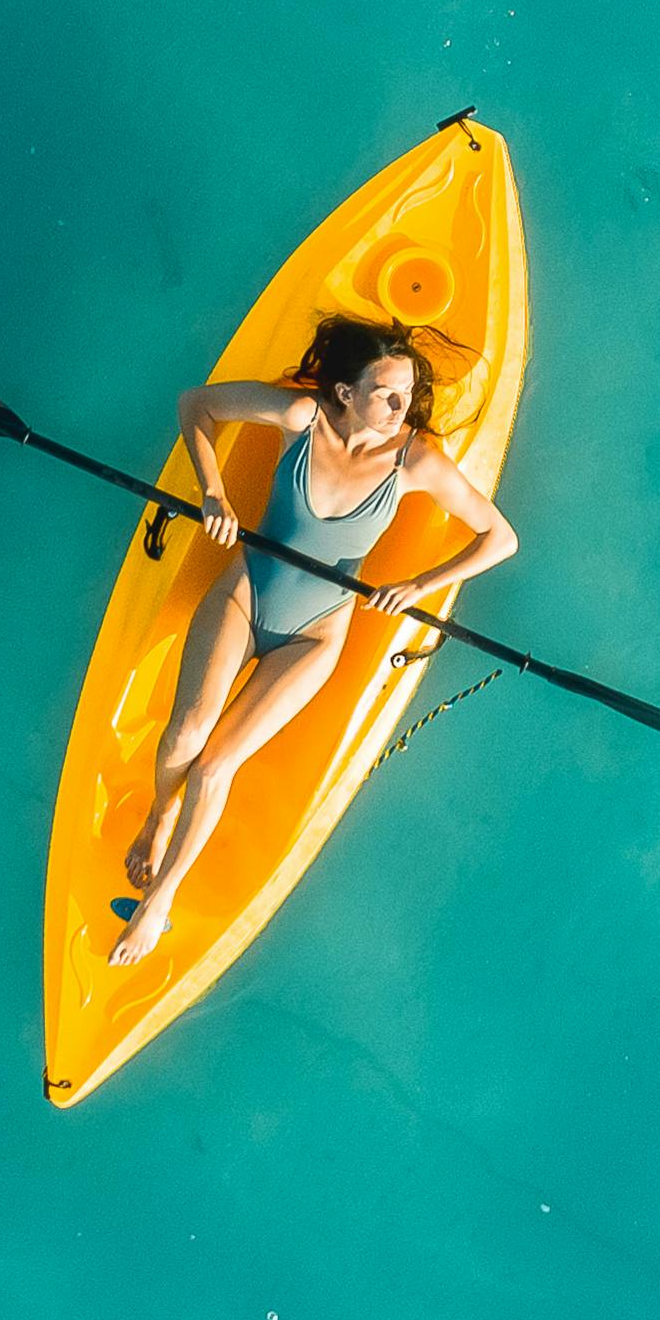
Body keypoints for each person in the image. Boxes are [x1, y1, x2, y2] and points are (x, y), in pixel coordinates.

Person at [110, 314, 517, 964]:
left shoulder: (414, 461)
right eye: (385, 392)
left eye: (406, 394)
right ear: (344, 393)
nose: (399, 407)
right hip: (246, 591)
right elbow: (197, 406)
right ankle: (161, 812)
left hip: (316, 633)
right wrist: (213, 494)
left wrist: (416, 586)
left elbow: (499, 539)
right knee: (184, 736)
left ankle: (159, 901)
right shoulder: (300, 415)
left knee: (216, 764)